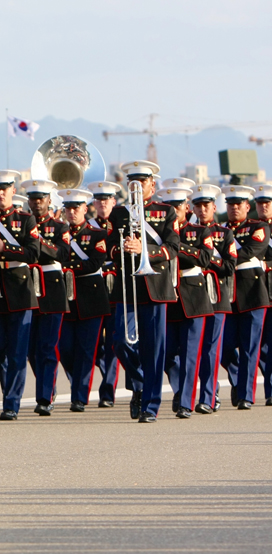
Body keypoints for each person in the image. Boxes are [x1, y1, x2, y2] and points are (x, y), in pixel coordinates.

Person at [106, 161, 179, 423]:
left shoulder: (166, 212)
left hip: (155, 287)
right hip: (128, 287)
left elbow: (172, 247)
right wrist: (122, 249)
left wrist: (145, 249)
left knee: (154, 349)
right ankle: (139, 384)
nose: (136, 187)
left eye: (142, 182)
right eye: (132, 183)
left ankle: (151, 405)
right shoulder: (118, 213)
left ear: (152, 184)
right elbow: (109, 248)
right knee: (121, 342)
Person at [0, 170, 40, 421]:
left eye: (4, 188)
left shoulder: (26, 219)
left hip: (19, 290)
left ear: (13, 191)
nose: (1, 193)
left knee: (17, 351)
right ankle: (9, 389)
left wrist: (7, 248)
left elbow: (33, 253)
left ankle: (12, 403)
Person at [157, 186, 213, 418]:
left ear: (186, 208)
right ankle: (181, 391)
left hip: (192, 294)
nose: (174, 211)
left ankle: (186, 403)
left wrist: (175, 247)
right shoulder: (158, 234)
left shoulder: (198, 231)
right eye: (169, 207)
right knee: (167, 352)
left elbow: (205, 258)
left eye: (177, 207)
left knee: (191, 353)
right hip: (167, 294)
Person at [55, 189, 111, 411]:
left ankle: (79, 396)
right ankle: (77, 381)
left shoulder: (97, 234)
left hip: (91, 296)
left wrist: (66, 267)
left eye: (76, 208)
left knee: (86, 349)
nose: (71, 212)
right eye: (68, 208)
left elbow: (95, 262)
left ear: (85, 209)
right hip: (67, 297)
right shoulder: (60, 233)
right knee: (66, 348)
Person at [219, 185, 269, 410]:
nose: (234, 208)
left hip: (252, 294)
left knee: (250, 347)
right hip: (228, 296)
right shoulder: (219, 229)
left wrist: (222, 258)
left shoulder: (258, 227)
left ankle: (245, 396)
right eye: (230, 204)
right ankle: (239, 380)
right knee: (224, 346)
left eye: (239, 204)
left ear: (247, 207)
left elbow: (251, 251)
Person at [22, 179, 67, 416]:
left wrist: (37, 243)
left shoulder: (59, 227)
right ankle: (47, 384)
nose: (37, 203)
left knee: (47, 346)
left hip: (51, 287)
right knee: (30, 349)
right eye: (33, 199)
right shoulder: (20, 224)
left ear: (49, 200)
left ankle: (44, 397)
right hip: (26, 286)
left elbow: (63, 253)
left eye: (41, 199)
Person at [192, 184, 236, 414]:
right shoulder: (185, 232)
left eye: (205, 205)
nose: (201, 210)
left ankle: (208, 397)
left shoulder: (224, 233)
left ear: (214, 207)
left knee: (210, 349)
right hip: (191, 298)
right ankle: (187, 393)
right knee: (188, 350)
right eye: (197, 206)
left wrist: (205, 260)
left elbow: (229, 266)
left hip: (215, 297)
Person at [85, 180, 121, 407]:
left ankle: (108, 391)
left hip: (116, 286)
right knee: (95, 343)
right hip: (95, 288)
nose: (103, 203)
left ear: (114, 202)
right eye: (99, 200)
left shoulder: (121, 225)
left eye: (106, 199)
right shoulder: (88, 227)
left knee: (115, 343)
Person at [254, 184, 272, 405]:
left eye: (267, 202)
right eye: (260, 203)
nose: (264, 206)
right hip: (255, 293)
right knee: (257, 346)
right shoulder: (250, 229)